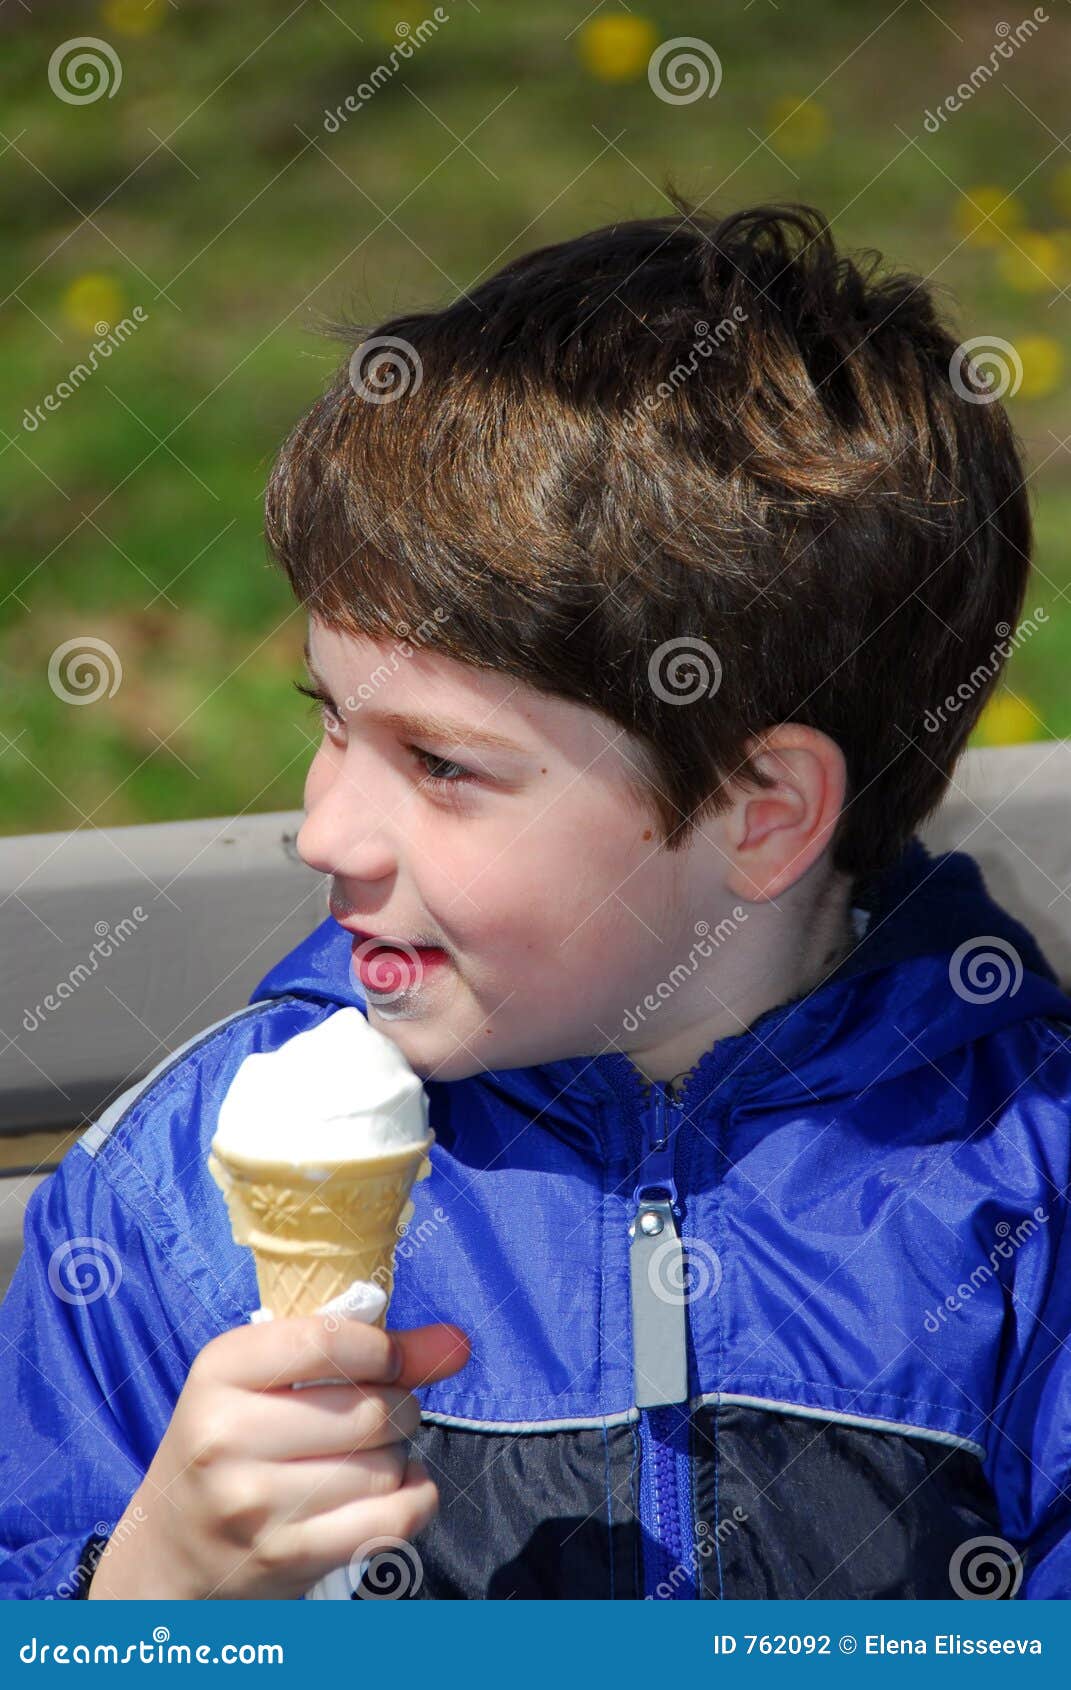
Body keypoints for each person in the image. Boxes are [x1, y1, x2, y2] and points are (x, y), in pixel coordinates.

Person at [2, 199, 1070, 1600]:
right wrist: (158, 1596)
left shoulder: (1024, 1187)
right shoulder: (171, 1201)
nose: (325, 828)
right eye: (334, 720)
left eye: (440, 764)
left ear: (762, 815)